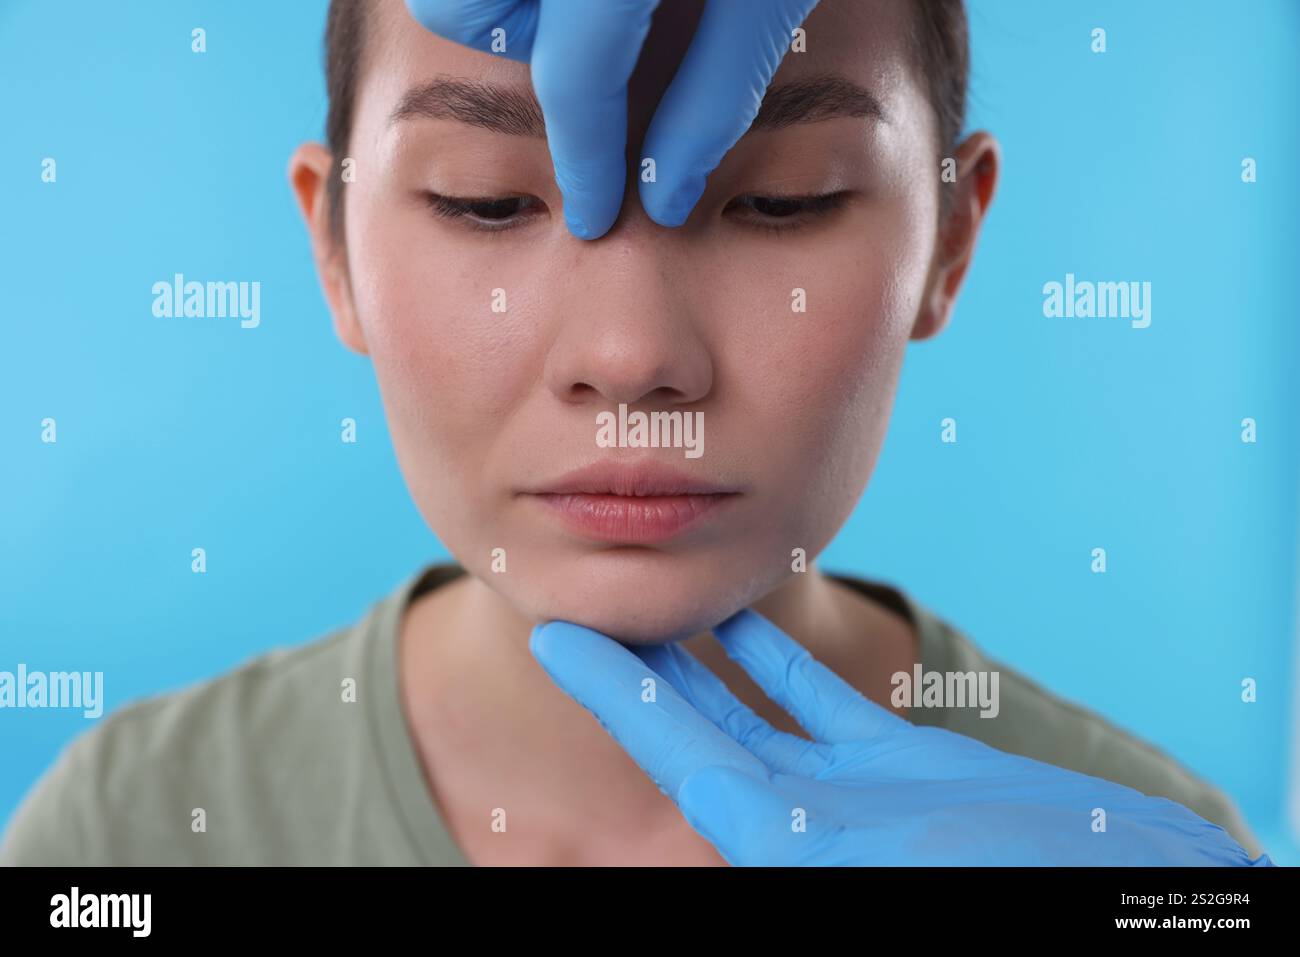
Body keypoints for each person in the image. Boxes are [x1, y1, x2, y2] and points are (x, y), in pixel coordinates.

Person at [0, 0, 1268, 866]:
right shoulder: (133, 836)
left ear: (950, 241)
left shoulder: (1137, 848)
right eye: (486, 203)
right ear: (333, 248)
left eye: (780, 203)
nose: (631, 357)